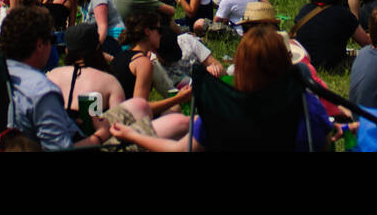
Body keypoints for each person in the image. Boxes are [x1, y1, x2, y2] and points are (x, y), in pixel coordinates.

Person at [108, 27, 330, 152]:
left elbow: (179, 150)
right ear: (286, 64)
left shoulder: (222, 108)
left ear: (240, 66)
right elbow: (323, 145)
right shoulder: (306, 105)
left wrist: (131, 134)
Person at [1, 5, 107, 149]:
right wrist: (101, 135)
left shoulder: (2, 73)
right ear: (39, 45)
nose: (53, 45)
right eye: (52, 39)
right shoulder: (42, 91)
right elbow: (60, 149)